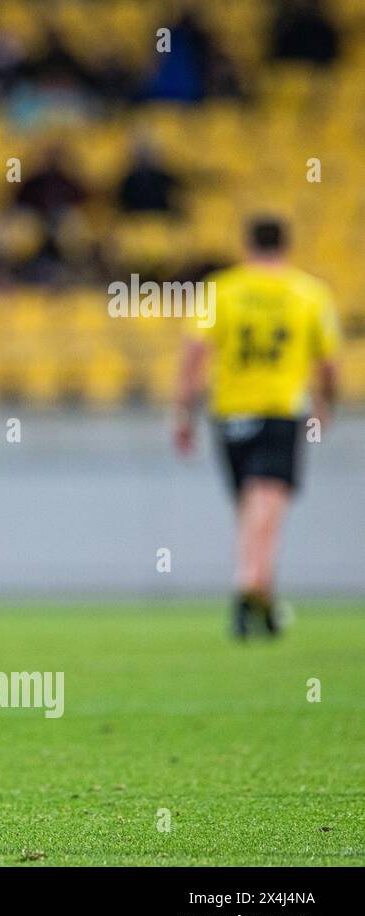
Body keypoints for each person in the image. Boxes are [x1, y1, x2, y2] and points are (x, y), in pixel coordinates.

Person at [174, 216, 339, 638]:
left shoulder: (222, 290)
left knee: (253, 507)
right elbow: (329, 363)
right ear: (287, 246)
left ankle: (257, 598)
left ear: (246, 246)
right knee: (265, 507)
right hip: (280, 409)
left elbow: (193, 356)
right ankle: (252, 590)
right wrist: (326, 404)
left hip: (229, 412)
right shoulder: (309, 293)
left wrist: (183, 415)